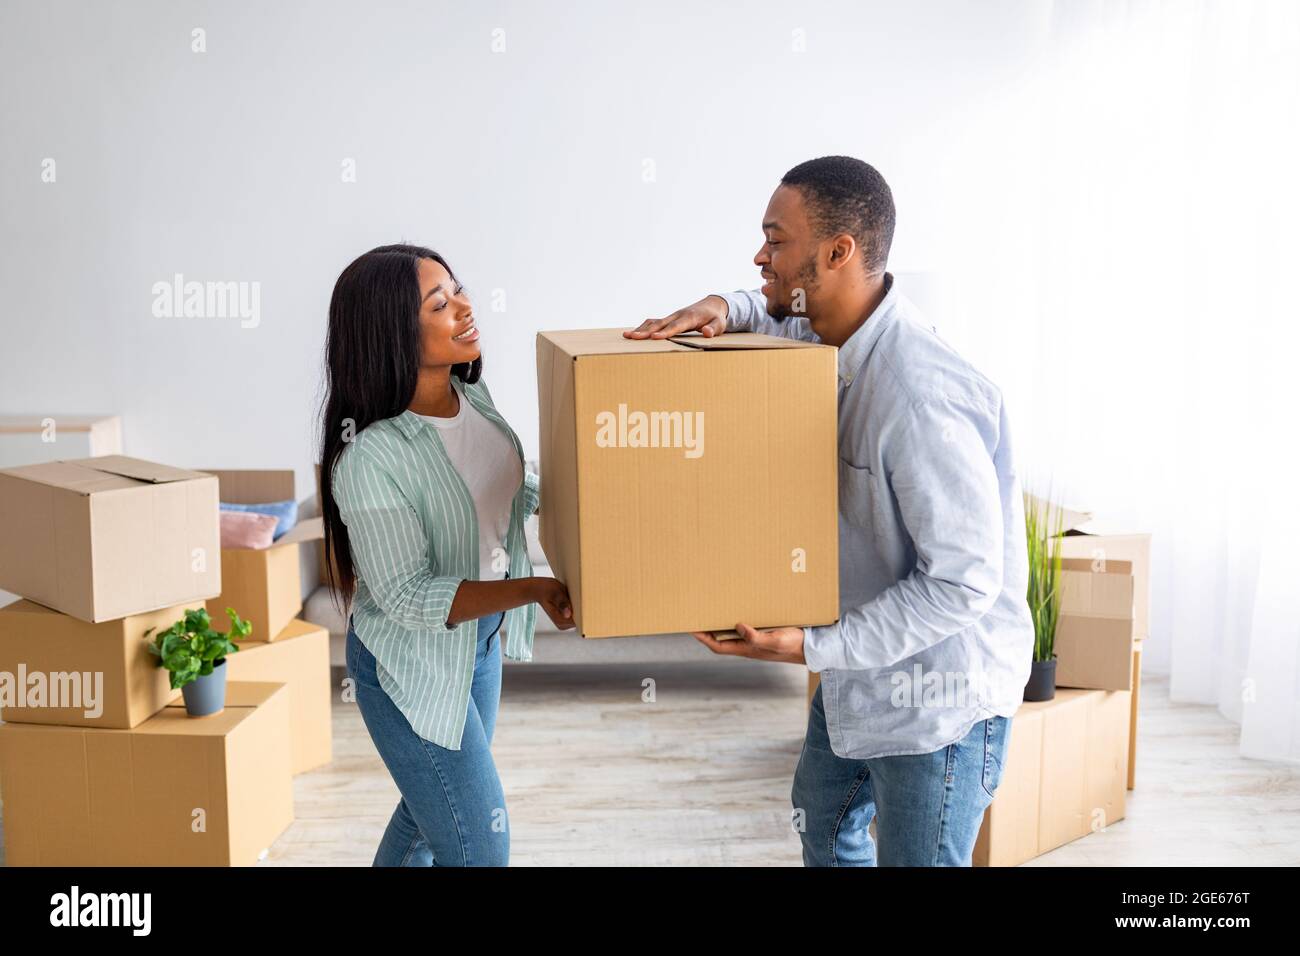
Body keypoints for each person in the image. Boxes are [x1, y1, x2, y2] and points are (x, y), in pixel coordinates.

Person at [626, 157, 1034, 866]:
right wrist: (728, 304)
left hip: (938, 701)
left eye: (776, 240)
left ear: (837, 252)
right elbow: (768, 311)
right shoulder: (817, 338)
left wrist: (811, 648)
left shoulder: (921, 397)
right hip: (856, 676)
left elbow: (964, 583)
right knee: (821, 828)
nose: (759, 255)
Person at [320, 243, 575, 867]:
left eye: (457, 289)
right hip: (409, 663)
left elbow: (508, 493)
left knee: (428, 811)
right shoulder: (370, 458)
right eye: (441, 303)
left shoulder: (474, 401)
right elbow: (407, 596)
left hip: (478, 640)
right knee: (478, 846)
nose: (465, 306)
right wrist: (533, 589)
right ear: (393, 333)